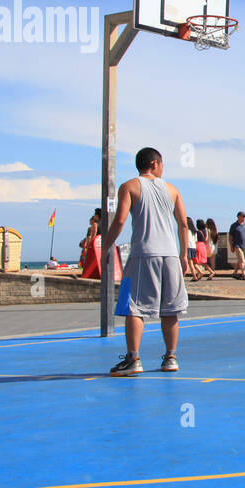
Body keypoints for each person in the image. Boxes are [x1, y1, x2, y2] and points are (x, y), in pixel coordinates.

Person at [102, 147, 190, 375]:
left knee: (134, 308)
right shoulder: (173, 190)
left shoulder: (129, 186)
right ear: (154, 164)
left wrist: (107, 246)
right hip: (170, 255)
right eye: (161, 164)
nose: (162, 169)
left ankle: (133, 359)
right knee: (170, 309)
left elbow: (120, 220)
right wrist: (183, 255)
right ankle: (170, 357)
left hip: (143, 254)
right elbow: (183, 224)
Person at [228, 211, 245, 279]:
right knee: (242, 260)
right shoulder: (233, 226)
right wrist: (231, 246)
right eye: (243, 216)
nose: (244, 218)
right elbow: (230, 237)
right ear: (238, 216)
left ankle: (235, 273)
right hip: (237, 245)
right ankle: (244, 274)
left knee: (240, 260)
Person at [184, 216, 199, 280]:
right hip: (194, 247)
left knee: (190, 263)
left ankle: (194, 276)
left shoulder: (186, 230)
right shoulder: (194, 231)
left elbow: (185, 239)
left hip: (189, 247)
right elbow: (196, 240)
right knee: (193, 262)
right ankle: (200, 271)